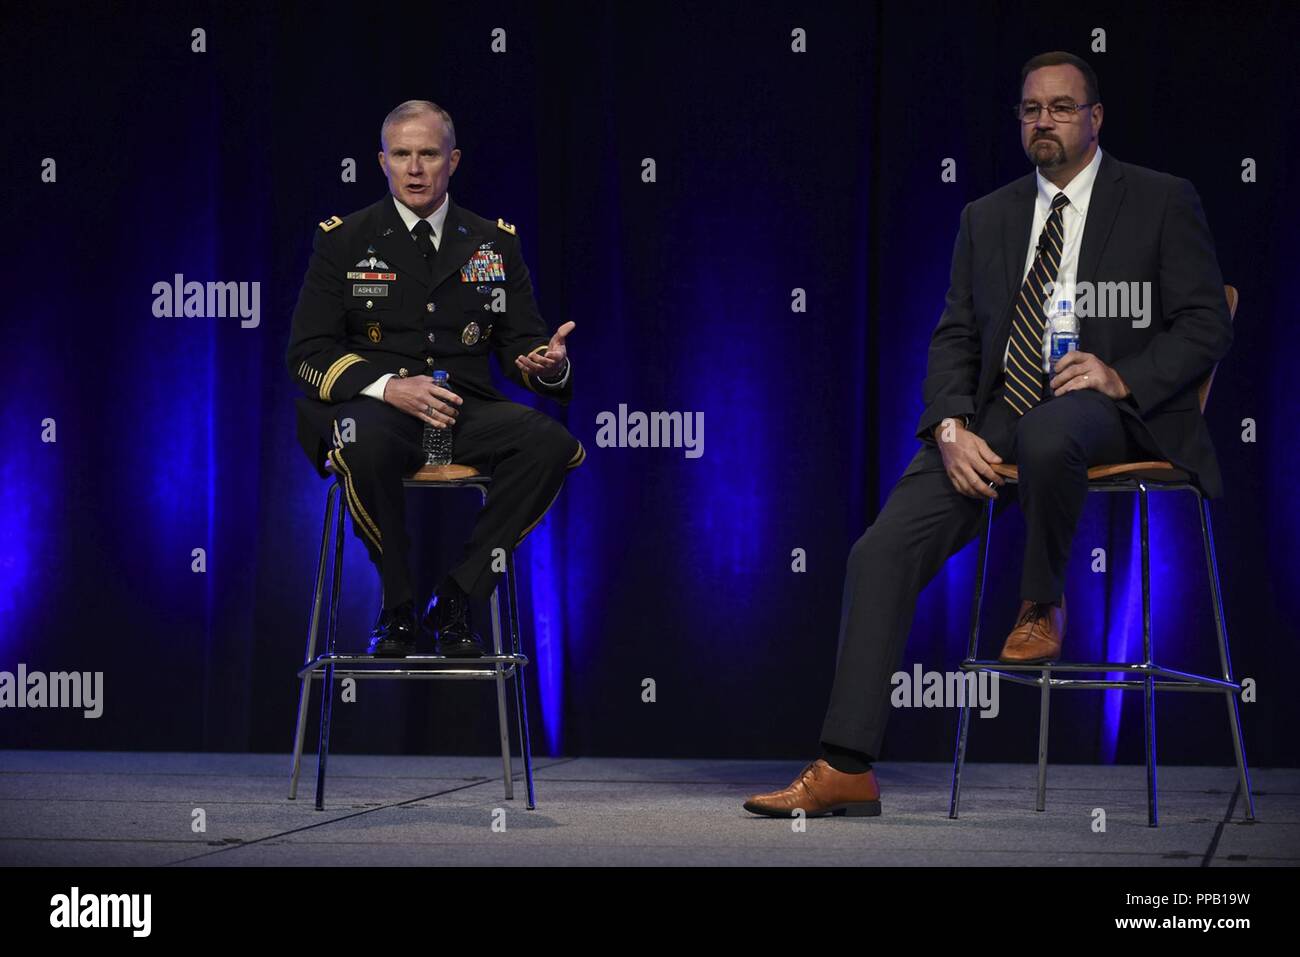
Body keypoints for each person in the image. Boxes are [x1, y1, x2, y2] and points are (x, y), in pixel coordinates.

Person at [743, 51, 1233, 818]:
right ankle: (846, 767)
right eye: (1031, 109)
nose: (1044, 120)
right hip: (997, 419)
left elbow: (1207, 322)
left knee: (1048, 433)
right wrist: (948, 426)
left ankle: (1041, 604)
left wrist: (1121, 374)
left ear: (1094, 118)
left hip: (1113, 412)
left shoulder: (1161, 200)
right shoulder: (989, 215)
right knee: (879, 554)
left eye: (1062, 107)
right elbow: (955, 337)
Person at [286, 100, 585, 658]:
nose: (415, 168)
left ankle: (457, 595)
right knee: (363, 439)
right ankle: (396, 605)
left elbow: (523, 343)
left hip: (462, 408)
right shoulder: (344, 240)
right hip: (380, 413)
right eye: (402, 155)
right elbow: (307, 353)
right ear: (382, 161)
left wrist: (547, 364)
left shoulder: (494, 241)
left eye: (428, 154)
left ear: (454, 160)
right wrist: (388, 387)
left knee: (550, 443)